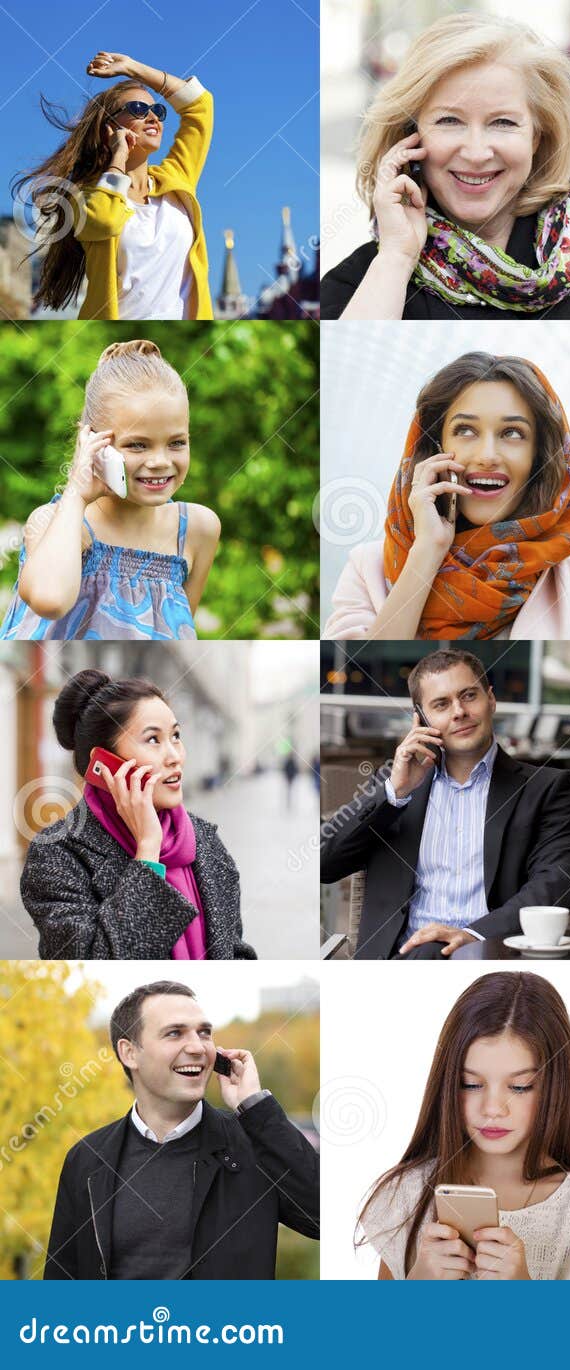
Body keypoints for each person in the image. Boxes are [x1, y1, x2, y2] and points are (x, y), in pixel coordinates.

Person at [322, 13, 570, 320]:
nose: (475, 153)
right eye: (449, 120)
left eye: (502, 122)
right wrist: (397, 258)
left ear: (536, 138)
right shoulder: (358, 284)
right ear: (410, 136)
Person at [324, 351, 570, 640]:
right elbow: (366, 679)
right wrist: (427, 550)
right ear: (436, 448)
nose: (488, 455)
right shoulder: (368, 569)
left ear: (537, 457)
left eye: (512, 433)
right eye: (466, 431)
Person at [357, 972, 570, 1280]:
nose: (492, 1109)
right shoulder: (407, 1196)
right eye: (471, 1084)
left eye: (519, 1087)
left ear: (556, 1087)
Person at [319, 649, 570, 960]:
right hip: (401, 959)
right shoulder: (395, 789)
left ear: (491, 699)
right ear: (421, 719)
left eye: (469, 696)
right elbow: (325, 863)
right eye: (441, 704)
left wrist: (472, 934)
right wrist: (395, 791)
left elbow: (557, 884)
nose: (459, 711)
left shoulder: (546, 788)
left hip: (494, 955)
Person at [45, 981, 317, 1278]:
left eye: (204, 1033)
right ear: (129, 1053)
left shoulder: (253, 1144)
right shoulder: (85, 1159)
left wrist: (256, 1108)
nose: (198, 1047)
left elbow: (325, 1217)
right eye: (174, 1033)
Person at [22, 670, 251, 960]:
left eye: (176, 736)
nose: (175, 756)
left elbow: (237, 953)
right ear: (104, 763)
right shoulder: (57, 852)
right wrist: (147, 852)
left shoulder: (204, 841)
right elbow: (96, 962)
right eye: (153, 739)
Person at [3, 341, 220, 640]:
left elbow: (177, 634)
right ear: (92, 443)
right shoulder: (55, 523)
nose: (160, 461)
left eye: (177, 442)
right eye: (137, 445)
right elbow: (50, 599)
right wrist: (77, 493)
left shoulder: (198, 530)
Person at [16, 51, 215, 319]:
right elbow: (106, 222)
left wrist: (132, 68)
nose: (153, 117)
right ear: (109, 128)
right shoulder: (86, 196)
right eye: (138, 109)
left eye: (157, 110)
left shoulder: (176, 179)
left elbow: (200, 106)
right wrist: (119, 156)